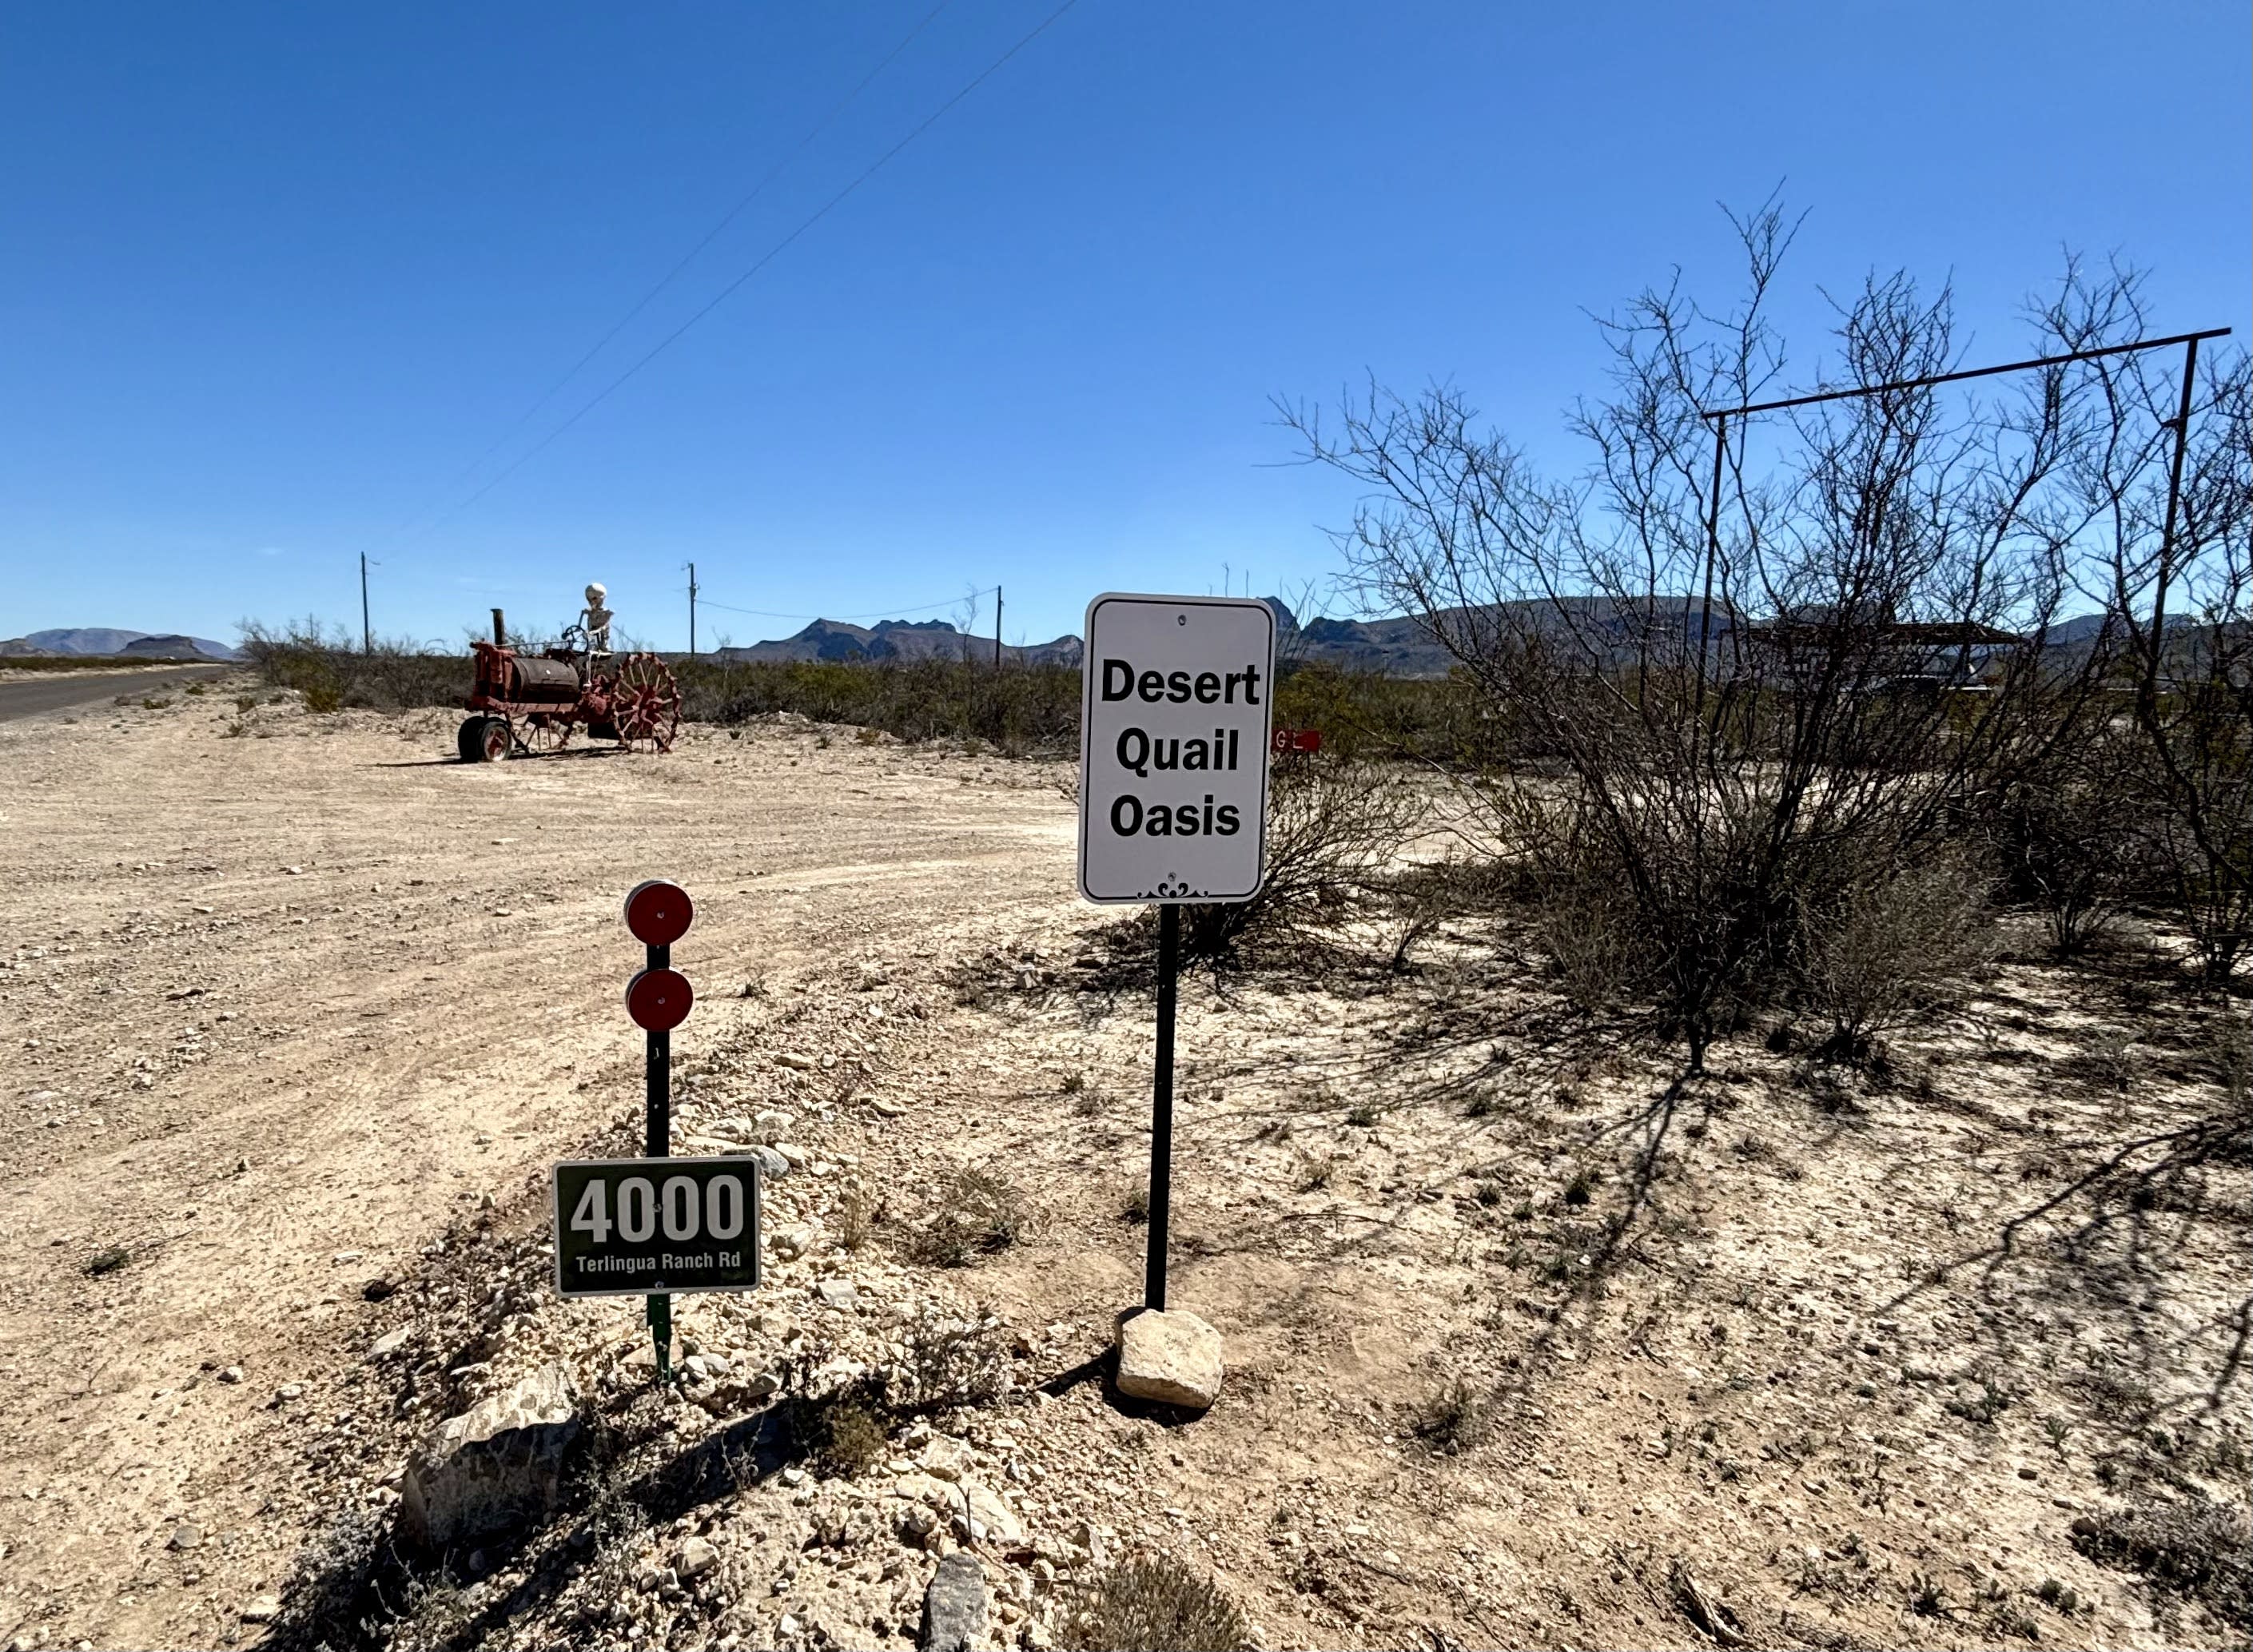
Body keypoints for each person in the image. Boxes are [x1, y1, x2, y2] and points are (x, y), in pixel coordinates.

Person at [579, 583, 614, 658]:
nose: (591, 602)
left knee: (603, 646)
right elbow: (582, 615)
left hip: (601, 639)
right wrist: (578, 627)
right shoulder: (589, 611)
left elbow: (604, 627)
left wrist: (593, 632)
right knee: (590, 646)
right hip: (591, 639)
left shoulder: (607, 613)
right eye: (589, 599)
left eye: (594, 598)